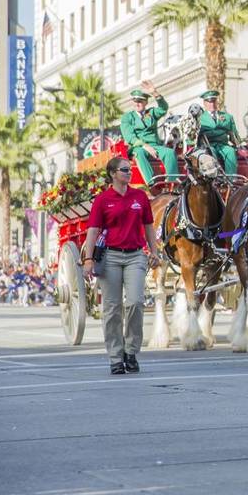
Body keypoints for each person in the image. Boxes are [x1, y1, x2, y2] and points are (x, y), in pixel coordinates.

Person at [82, 156, 163, 374]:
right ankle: (115, 357)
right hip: (110, 257)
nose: (129, 173)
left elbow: (148, 226)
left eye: (129, 170)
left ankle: (131, 350)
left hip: (136, 255)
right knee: (112, 308)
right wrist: (88, 259)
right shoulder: (102, 200)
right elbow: (93, 230)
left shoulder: (140, 197)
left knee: (136, 302)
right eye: (124, 170)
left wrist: (154, 252)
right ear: (113, 174)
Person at [120, 81, 177, 186]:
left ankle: (172, 182)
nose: (137, 104)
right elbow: (130, 137)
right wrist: (145, 146)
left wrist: (154, 92)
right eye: (135, 101)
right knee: (139, 153)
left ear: (146, 102)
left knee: (169, 153)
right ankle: (151, 184)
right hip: (138, 147)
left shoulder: (151, 113)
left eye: (140, 101)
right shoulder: (127, 117)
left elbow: (163, 108)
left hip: (155, 146)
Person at [196, 90, 242, 177]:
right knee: (210, 152)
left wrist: (239, 144)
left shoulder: (227, 117)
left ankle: (231, 179)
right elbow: (193, 137)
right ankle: (215, 178)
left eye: (214, 101)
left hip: (223, 145)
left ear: (217, 102)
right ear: (204, 103)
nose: (212, 104)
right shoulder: (199, 119)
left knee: (230, 151)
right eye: (209, 102)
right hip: (208, 145)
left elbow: (235, 135)